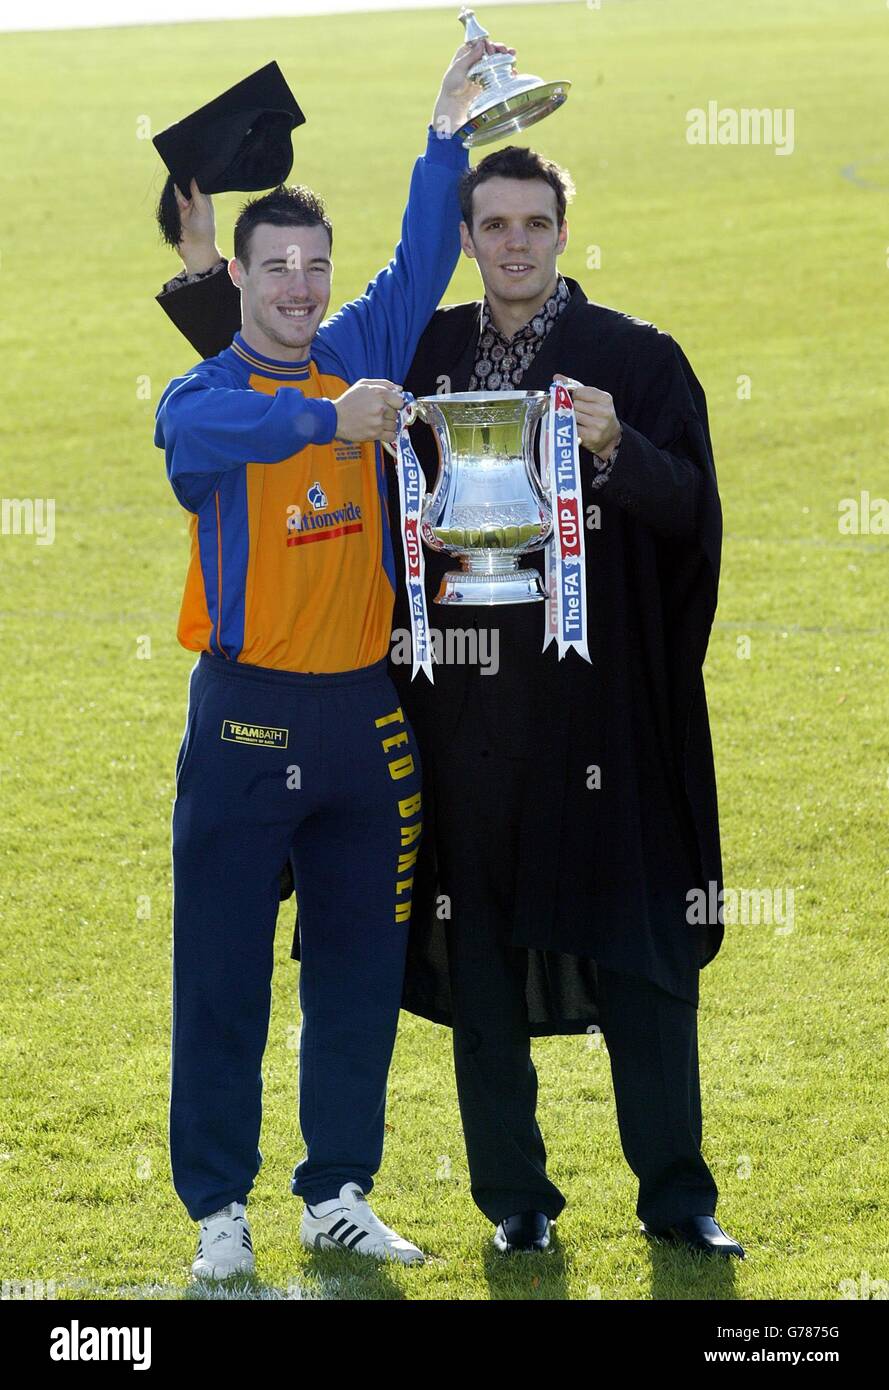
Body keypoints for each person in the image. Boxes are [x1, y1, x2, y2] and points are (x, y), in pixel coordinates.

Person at [155, 144, 744, 1261]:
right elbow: (271, 372)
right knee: (462, 952)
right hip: (447, 706)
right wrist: (208, 279)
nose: (513, 243)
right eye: (492, 225)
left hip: (589, 711)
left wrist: (616, 448)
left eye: (534, 223)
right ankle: (504, 1199)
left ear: (563, 232)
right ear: (468, 241)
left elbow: (693, 510)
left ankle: (673, 1194)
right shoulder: (421, 352)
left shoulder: (632, 358)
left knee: (625, 957)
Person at [153, 39, 506, 1279]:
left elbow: (426, 255)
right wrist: (326, 416)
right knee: (223, 981)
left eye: (314, 270)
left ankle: (337, 1190)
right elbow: (204, 426)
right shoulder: (209, 397)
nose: (299, 289)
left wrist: (443, 128)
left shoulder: (364, 342)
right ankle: (218, 1210)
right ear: (236, 279)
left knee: (357, 972)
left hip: (363, 720)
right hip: (246, 724)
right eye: (276, 271)